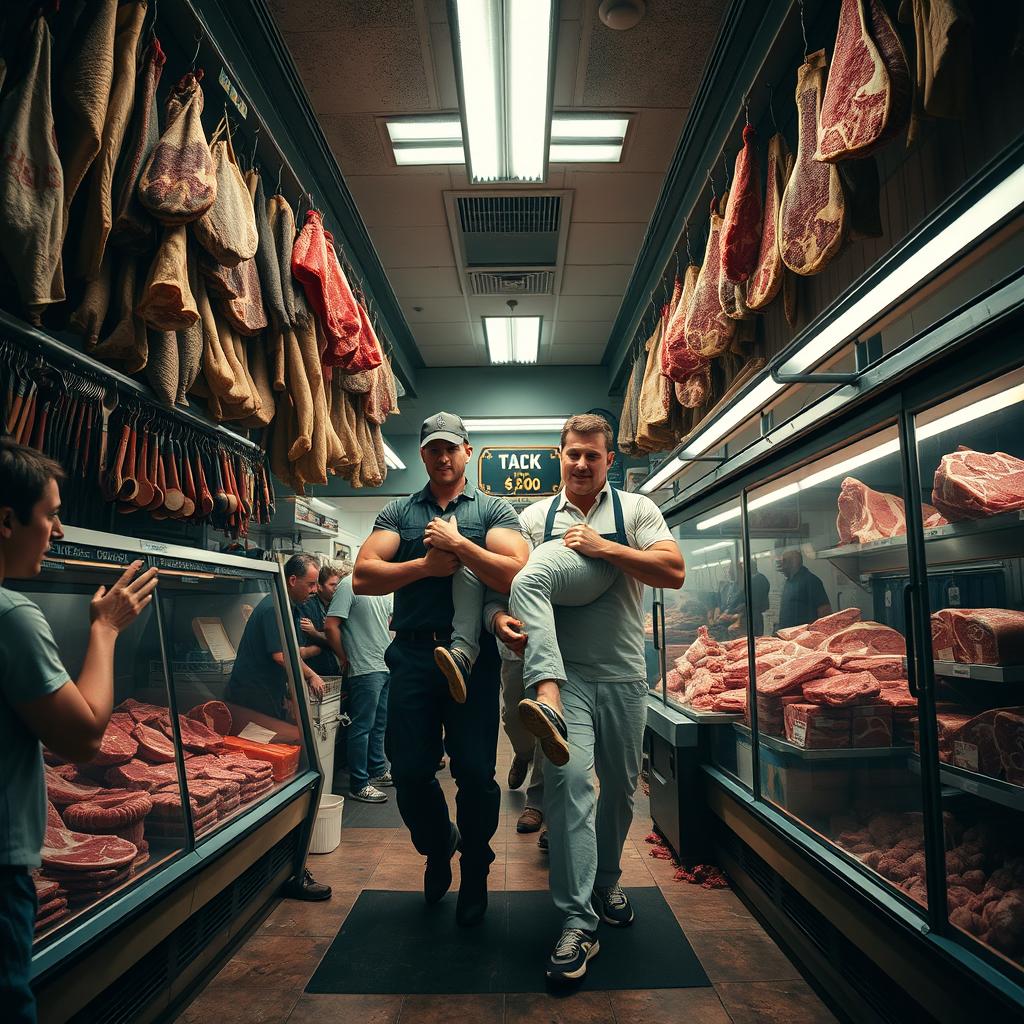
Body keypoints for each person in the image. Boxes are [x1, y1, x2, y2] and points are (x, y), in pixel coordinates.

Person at [508, 414, 685, 982]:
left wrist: (605, 548)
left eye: (592, 455)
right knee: (570, 785)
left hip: (626, 676)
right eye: (573, 454)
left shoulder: (636, 510)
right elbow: (509, 584)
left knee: (620, 795)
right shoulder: (534, 519)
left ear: (610, 460)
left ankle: (607, 882)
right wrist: (496, 621)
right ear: (558, 456)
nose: (582, 464)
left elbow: (673, 570)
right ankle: (577, 921)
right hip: (568, 681)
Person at [0, 439, 158, 1024]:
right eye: (51, 514)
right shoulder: (12, 616)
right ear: (7, 520)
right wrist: (106, 629)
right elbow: (85, 738)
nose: (60, 531)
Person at [353, 411, 529, 928]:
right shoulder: (400, 512)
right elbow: (363, 576)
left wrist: (461, 547)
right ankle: (438, 846)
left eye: (452, 447)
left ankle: (475, 866)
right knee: (409, 771)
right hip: (412, 655)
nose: (443, 456)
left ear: (467, 451)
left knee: (475, 772)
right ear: (423, 455)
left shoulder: (493, 509)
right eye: (434, 448)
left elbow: (518, 570)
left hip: (474, 660)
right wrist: (424, 567)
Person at [225, 553, 332, 902]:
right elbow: (281, 655)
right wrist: (310, 675)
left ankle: (281, 865)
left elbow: (288, 651)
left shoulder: (290, 607)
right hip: (251, 701)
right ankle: (269, 864)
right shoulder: (273, 607)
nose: (315, 590)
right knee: (262, 773)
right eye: (311, 583)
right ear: (292, 580)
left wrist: (287, 693)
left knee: (275, 772)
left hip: (267, 696)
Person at [324, 562, 394, 804]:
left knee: (379, 724)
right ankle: (359, 784)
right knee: (362, 726)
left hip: (384, 664)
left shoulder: (381, 588)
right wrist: (344, 656)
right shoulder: (349, 585)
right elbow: (331, 625)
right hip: (364, 666)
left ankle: (377, 769)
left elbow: (387, 624)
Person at [482, 597, 545, 833]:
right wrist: (498, 617)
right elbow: (492, 596)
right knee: (512, 717)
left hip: (552, 651)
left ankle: (536, 802)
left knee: (546, 723)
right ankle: (524, 753)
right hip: (514, 650)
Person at [299, 563, 342, 677]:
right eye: (332, 585)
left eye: (338, 585)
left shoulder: (337, 606)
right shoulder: (307, 605)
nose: (336, 589)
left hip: (333, 668)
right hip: (315, 669)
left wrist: (315, 633)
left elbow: (341, 640)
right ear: (320, 587)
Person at [777, 549, 831, 630]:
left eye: (785, 561)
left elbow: (825, 611)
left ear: (795, 562)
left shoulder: (811, 580)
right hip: (787, 632)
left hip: (804, 633)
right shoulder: (789, 581)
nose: (782, 566)